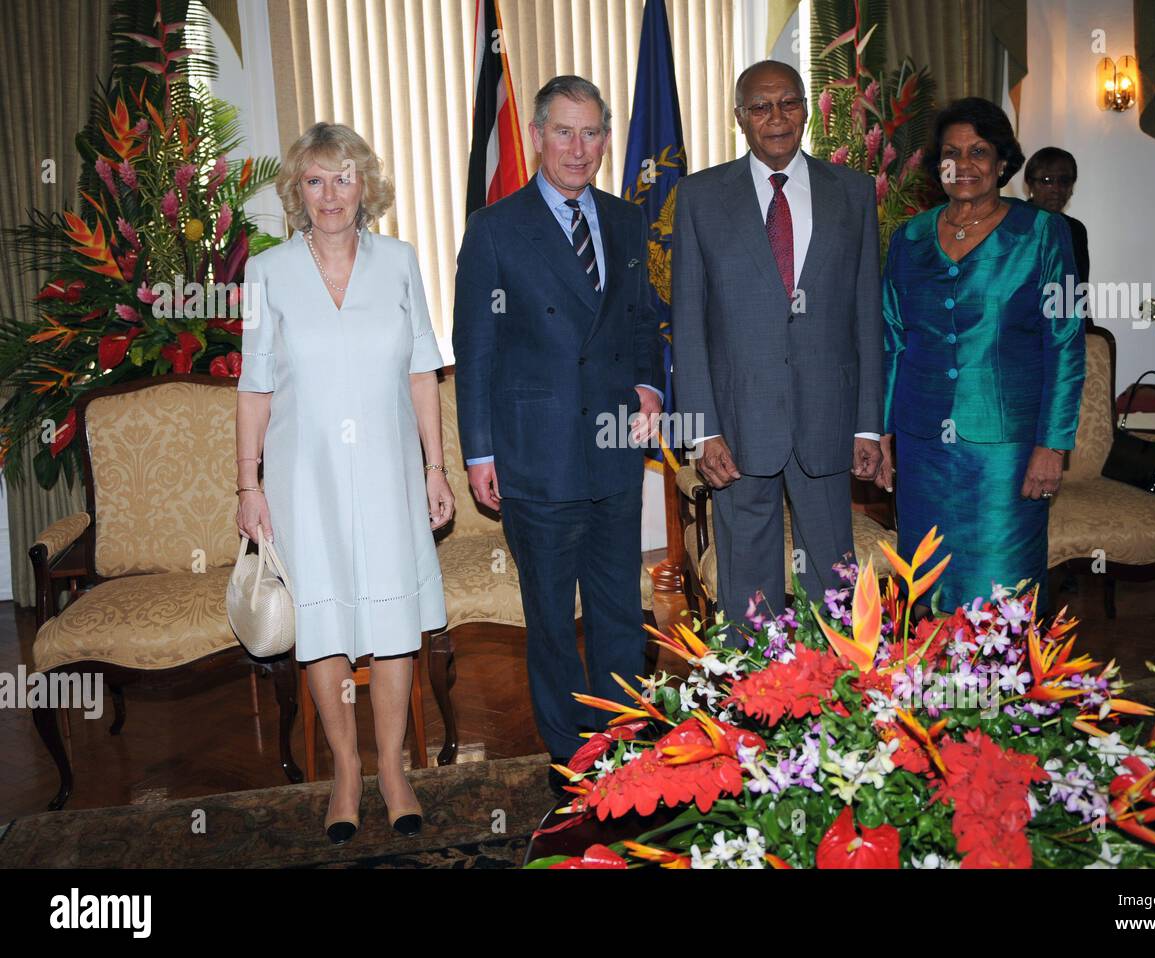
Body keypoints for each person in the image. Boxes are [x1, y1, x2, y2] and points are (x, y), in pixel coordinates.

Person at [235, 122, 454, 845]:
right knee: (324, 626)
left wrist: (434, 467)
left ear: (367, 185)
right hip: (306, 480)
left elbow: (423, 370)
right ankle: (346, 773)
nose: (331, 194)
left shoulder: (398, 262)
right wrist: (249, 484)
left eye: (344, 177)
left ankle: (393, 771)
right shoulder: (267, 272)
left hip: (390, 474)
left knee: (392, 631)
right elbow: (255, 387)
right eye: (316, 179)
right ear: (298, 190)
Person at [452, 76, 663, 795]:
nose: (580, 148)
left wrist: (650, 385)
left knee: (616, 608)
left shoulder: (627, 219)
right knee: (549, 615)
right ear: (538, 135)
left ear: (607, 139)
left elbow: (640, 323)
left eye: (593, 132)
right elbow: (475, 347)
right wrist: (479, 452)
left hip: (611, 448)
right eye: (565, 132)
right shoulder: (494, 228)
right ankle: (571, 758)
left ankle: (625, 741)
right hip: (534, 455)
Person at [672, 59, 884, 636]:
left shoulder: (854, 193)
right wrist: (701, 430)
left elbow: (867, 316)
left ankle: (837, 707)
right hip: (738, 428)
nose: (776, 117)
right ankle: (754, 706)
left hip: (828, 422)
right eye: (761, 106)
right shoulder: (699, 197)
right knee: (748, 588)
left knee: (833, 580)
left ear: (806, 110)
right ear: (740, 117)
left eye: (788, 103)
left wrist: (868, 426)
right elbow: (688, 324)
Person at [876, 98, 1086, 610]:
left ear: (1002, 162)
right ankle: (928, 691)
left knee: (1001, 591)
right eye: (951, 153)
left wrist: (1052, 447)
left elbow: (1065, 342)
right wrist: (881, 433)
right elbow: (892, 340)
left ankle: (998, 692)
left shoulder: (1044, 234)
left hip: (1006, 451)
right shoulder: (909, 238)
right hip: (923, 446)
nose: (963, 165)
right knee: (924, 586)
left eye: (979, 151)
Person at [1025, 146, 1089, 285]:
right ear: (1030, 184)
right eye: (1047, 180)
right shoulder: (1013, 224)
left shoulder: (1075, 230)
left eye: (1064, 181)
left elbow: (1080, 289)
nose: (1056, 189)